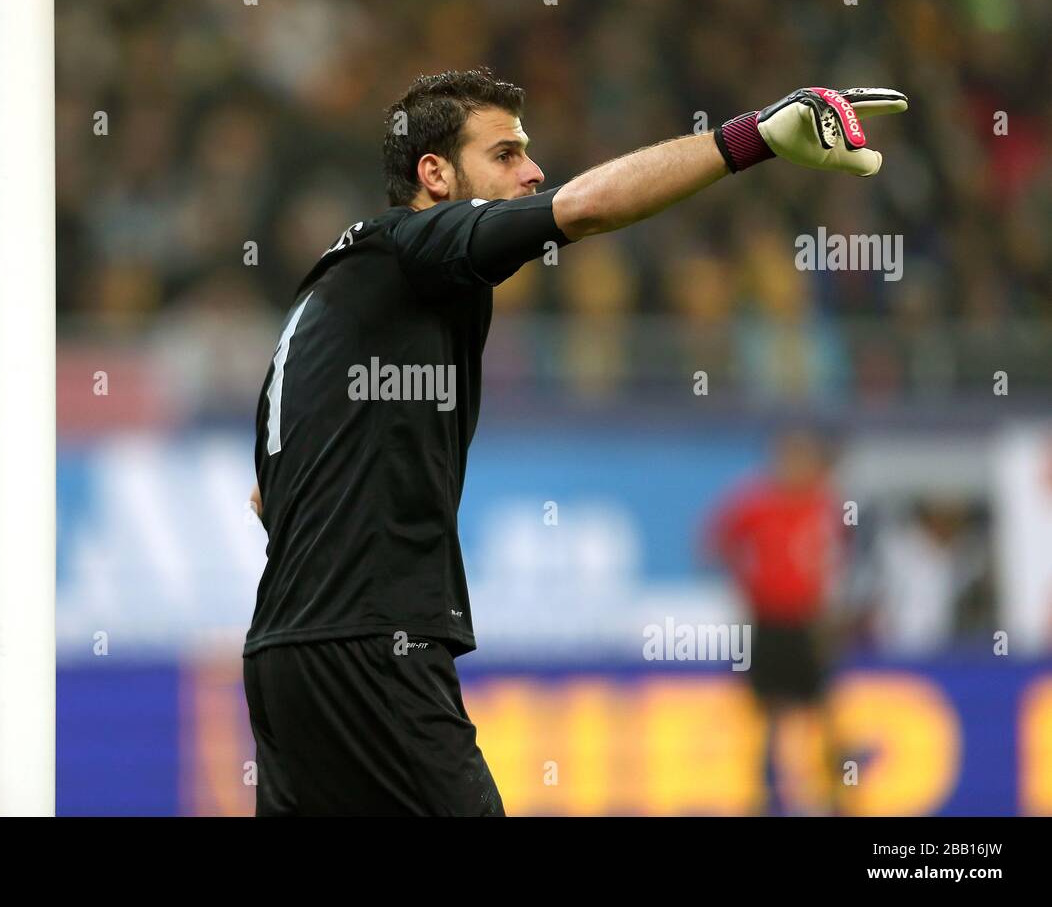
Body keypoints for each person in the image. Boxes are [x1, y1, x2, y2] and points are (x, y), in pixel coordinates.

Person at [244, 68, 906, 815]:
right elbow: (584, 209)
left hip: (281, 658)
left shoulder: (327, 301)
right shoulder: (413, 246)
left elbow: (266, 496)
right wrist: (750, 139)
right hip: (371, 649)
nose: (531, 170)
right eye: (503, 154)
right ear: (434, 174)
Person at [705, 428, 844, 815]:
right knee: (767, 714)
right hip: (767, 623)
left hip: (806, 623)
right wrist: (746, 586)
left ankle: (836, 796)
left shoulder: (823, 504)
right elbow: (716, 542)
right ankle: (763, 798)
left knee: (823, 712)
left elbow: (833, 563)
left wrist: (827, 613)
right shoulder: (755, 505)